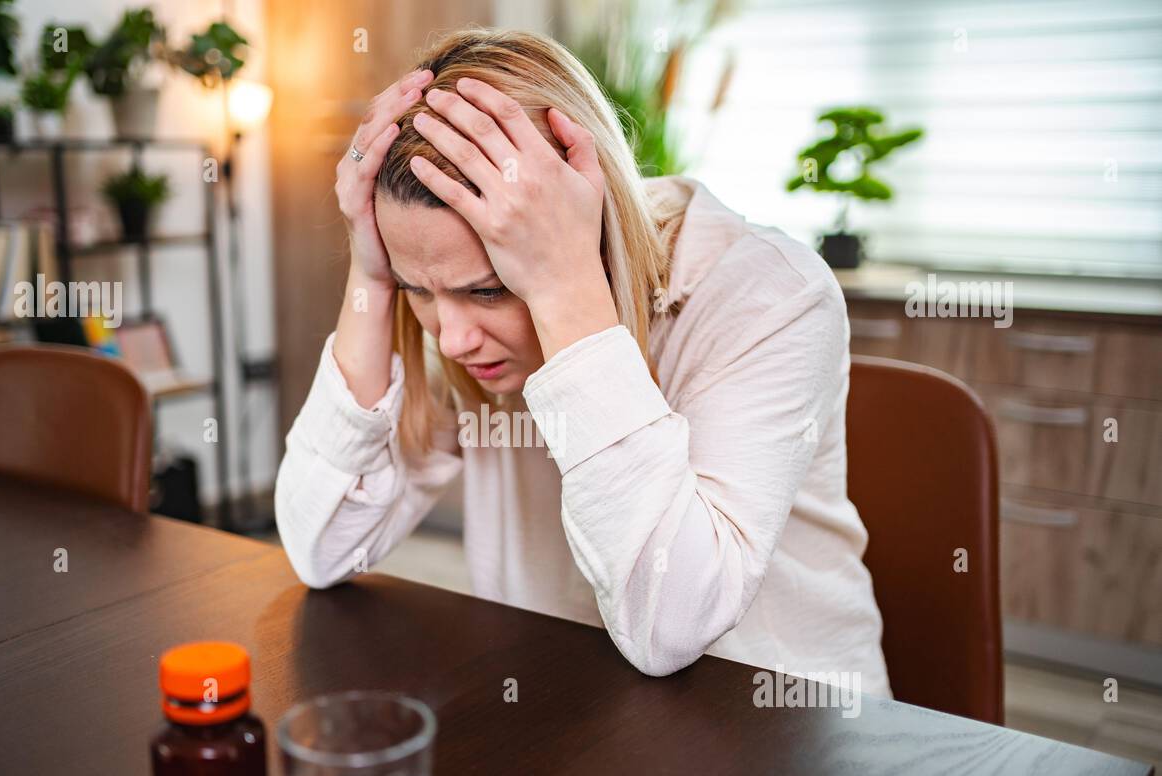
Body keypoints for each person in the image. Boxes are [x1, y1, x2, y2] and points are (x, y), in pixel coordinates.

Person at [275, 28, 892, 698]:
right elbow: (322, 547)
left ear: (586, 232)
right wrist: (371, 274)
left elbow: (669, 627)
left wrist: (564, 285)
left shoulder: (771, 293)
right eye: (418, 289)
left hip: (787, 733)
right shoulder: (453, 316)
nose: (451, 338)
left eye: (488, 289)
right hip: (564, 715)